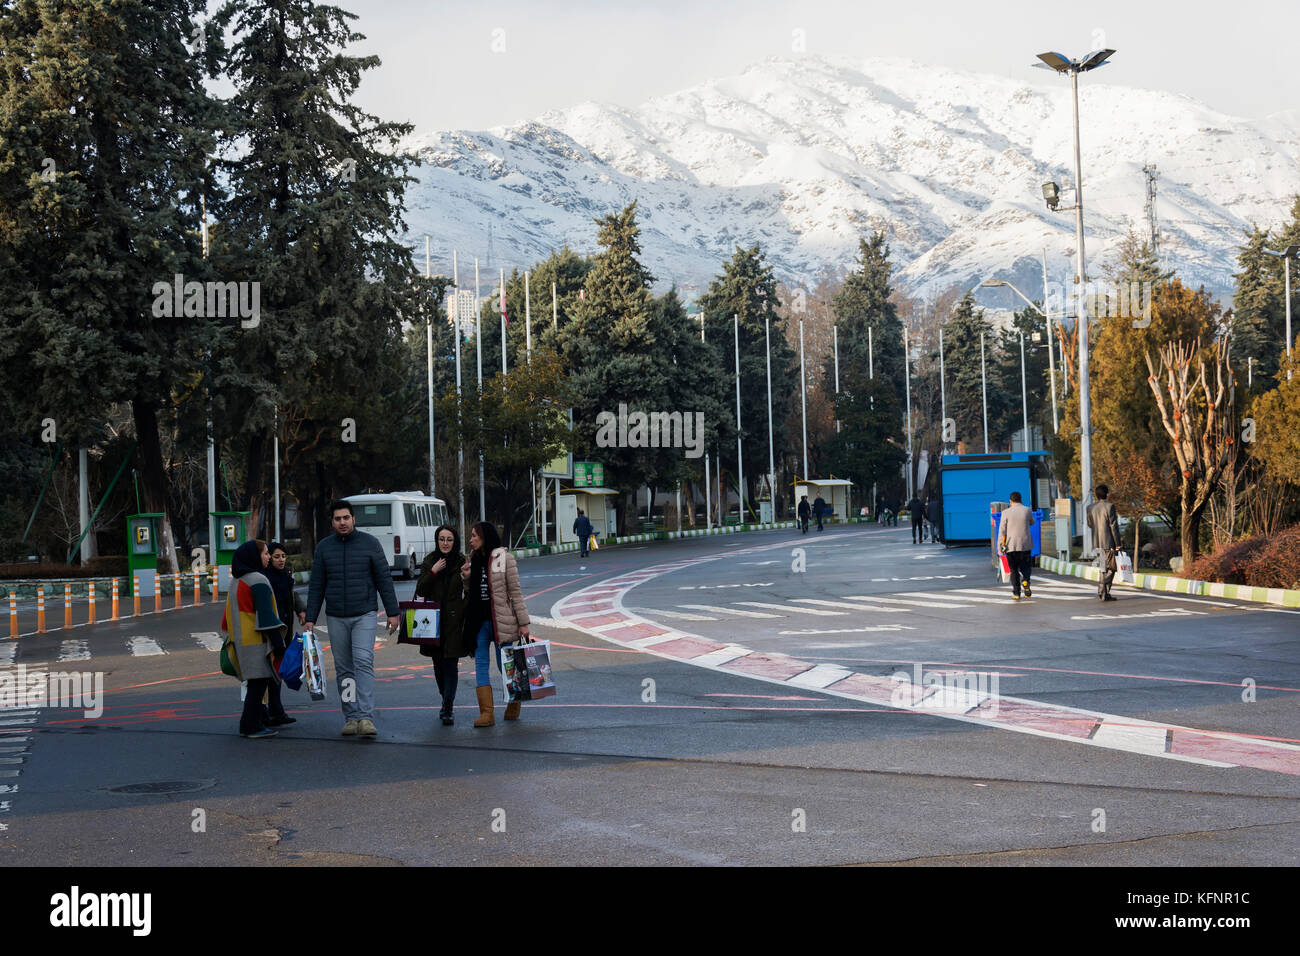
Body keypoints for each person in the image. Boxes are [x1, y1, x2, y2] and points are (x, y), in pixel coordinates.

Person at [304, 499, 400, 737]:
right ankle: (351, 717)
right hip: (336, 616)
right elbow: (316, 585)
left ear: (354, 519)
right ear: (332, 522)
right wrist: (311, 618)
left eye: (346, 517)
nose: (342, 522)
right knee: (344, 668)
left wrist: (393, 612)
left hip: (365, 614)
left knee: (363, 662)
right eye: (338, 519)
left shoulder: (370, 544)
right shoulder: (324, 548)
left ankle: (366, 717)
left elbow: (384, 580)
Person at [460, 521, 532, 728]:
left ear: (485, 537)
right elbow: (472, 593)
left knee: (506, 666)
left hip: (502, 622)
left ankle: (514, 701)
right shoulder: (473, 559)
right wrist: (466, 578)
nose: (471, 539)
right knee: (481, 664)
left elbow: (515, 593)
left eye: (475, 535)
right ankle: (486, 713)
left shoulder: (504, 558)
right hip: (479, 622)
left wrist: (523, 623)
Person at [220, 540, 291, 738]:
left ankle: (256, 720)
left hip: (240, 640)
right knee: (259, 683)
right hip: (257, 640)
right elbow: (267, 616)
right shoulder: (258, 579)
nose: (269, 557)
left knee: (254, 683)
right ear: (254, 556)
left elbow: (226, 619)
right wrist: (278, 644)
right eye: (266, 553)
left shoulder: (236, 581)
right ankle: (250, 725)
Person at [415, 525, 469, 726]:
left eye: (449, 539)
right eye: (442, 539)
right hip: (432, 620)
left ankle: (448, 705)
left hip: (454, 620)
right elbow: (420, 590)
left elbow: (469, 592)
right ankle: (444, 697)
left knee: (451, 664)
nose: (445, 543)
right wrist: (433, 571)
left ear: (455, 542)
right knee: (437, 665)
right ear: (437, 541)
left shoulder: (462, 561)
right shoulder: (430, 560)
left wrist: (462, 609)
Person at [998, 492, 1036, 600]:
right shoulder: (1027, 510)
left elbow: (1002, 531)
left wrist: (1000, 547)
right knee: (1026, 566)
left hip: (1011, 546)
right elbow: (1032, 522)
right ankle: (1026, 581)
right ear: (1021, 499)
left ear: (1010, 501)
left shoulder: (1005, 512)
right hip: (1025, 544)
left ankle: (1016, 593)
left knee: (1013, 569)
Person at [1088, 484, 1122, 601]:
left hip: (1097, 542)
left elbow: (1090, 524)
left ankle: (1105, 594)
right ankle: (1102, 588)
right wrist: (1118, 543)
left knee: (1103, 568)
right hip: (1108, 543)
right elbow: (1113, 527)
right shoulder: (1110, 506)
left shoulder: (1090, 507)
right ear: (1107, 494)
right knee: (1112, 569)